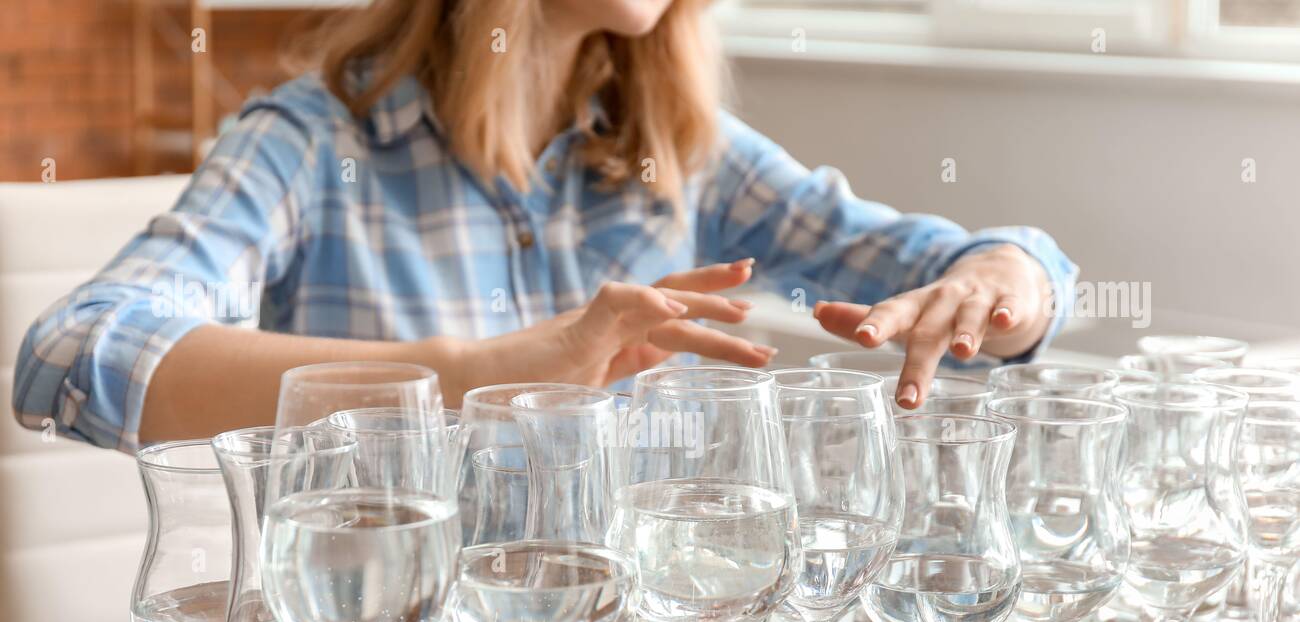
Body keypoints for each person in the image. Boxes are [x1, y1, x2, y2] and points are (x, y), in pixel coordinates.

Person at [11, 0, 1076, 452]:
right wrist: (473, 372)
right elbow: (74, 352)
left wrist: (1001, 278)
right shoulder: (312, 142)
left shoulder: (679, 147)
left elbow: (971, 274)